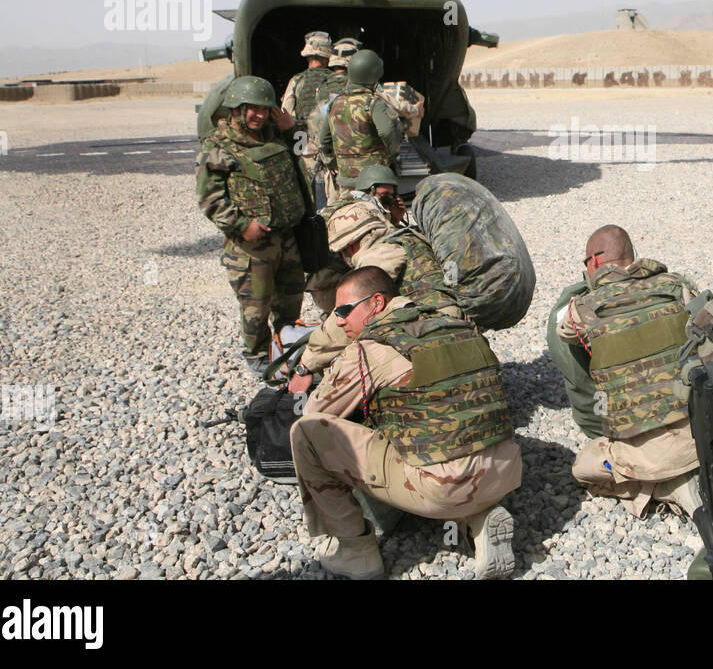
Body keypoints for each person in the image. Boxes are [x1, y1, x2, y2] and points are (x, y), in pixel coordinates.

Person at [290, 266, 521, 579]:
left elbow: (318, 412)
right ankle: (479, 520)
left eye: (344, 310)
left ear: (377, 303)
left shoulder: (372, 346)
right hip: (506, 471)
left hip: (444, 489)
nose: (339, 320)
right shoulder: (457, 323)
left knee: (306, 434)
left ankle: (357, 551)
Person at [553, 225, 701, 518]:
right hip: (703, 439)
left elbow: (563, 330)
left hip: (641, 458)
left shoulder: (584, 307)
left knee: (583, 468)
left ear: (594, 262)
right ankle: (688, 479)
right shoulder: (678, 286)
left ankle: (663, 488)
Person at [294, 166, 460, 390]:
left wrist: (306, 365)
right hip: (453, 336)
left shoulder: (382, 254)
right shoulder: (410, 237)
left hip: (434, 346)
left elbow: (350, 313)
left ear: (351, 245)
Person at [196, 76, 307, 362]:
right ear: (235, 109)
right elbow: (210, 198)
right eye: (252, 109)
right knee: (256, 306)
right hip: (252, 245)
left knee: (292, 299)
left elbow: (304, 155)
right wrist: (243, 227)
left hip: (287, 237)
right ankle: (258, 357)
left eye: (264, 109)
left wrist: (291, 128)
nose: (259, 115)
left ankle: (287, 349)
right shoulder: (218, 146)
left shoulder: (275, 135)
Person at [319, 49, 405, 198]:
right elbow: (387, 132)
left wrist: (337, 163)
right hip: (374, 180)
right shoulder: (374, 103)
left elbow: (323, 140)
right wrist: (391, 155)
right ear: (374, 76)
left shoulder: (335, 103)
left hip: (345, 179)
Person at [309, 37, 362, 200]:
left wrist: (328, 159)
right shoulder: (363, 84)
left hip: (330, 157)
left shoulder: (322, 87)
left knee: (334, 203)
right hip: (357, 159)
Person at [281, 31, 335, 185]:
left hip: (303, 141)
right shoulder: (335, 80)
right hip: (330, 142)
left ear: (308, 56)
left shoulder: (296, 81)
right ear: (327, 56)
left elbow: (286, 113)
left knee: (306, 184)